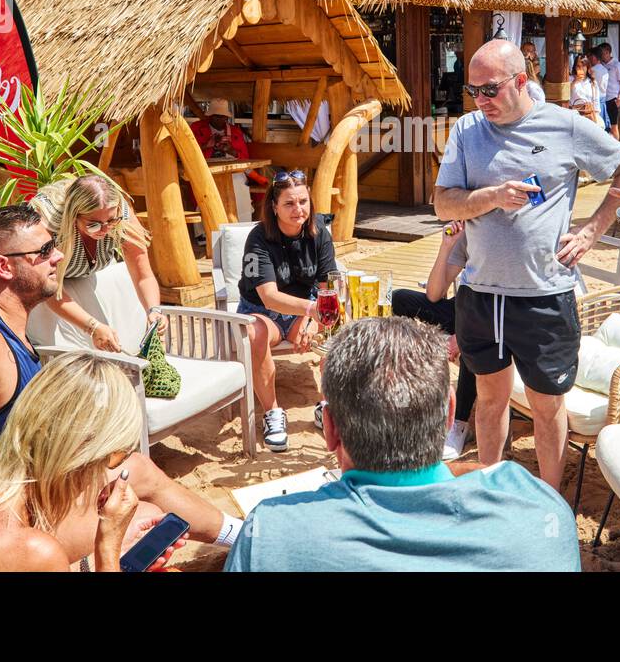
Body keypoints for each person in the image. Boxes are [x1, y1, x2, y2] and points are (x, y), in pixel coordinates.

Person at [0, 205, 237, 555]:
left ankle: (245, 535)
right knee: (143, 521)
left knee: (135, 471)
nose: (60, 256)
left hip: (7, 499)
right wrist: (26, 507)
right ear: (4, 267)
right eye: (44, 251)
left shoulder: (6, 331)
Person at [433, 40, 620, 491]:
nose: (480, 101)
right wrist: (491, 195)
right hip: (480, 294)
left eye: (489, 90)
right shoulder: (467, 131)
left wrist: (591, 231)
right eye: (473, 91)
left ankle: (552, 506)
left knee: (548, 409)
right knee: (489, 401)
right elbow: (443, 204)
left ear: (521, 80)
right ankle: (490, 492)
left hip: (544, 295)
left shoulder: (563, 126)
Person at [225, 317, 580, 571]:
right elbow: (494, 473)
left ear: (330, 428)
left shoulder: (270, 536)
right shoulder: (542, 512)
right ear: (448, 415)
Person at [0, 351, 188, 571]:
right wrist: (108, 549)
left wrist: (94, 560)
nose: (107, 477)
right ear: (78, 455)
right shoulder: (33, 550)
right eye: (114, 459)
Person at [236, 170, 336, 451]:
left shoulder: (318, 231)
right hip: (263, 312)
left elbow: (329, 284)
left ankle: (327, 406)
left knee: (333, 325)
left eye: (303, 201)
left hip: (304, 311)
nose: (298, 209)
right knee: (254, 334)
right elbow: (268, 297)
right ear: (274, 206)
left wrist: (312, 319)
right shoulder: (258, 238)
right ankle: (273, 413)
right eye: (289, 203)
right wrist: (312, 309)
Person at [28, 174, 159, 353]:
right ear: (74, 217)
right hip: (48, 288)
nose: (104, 230)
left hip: (87, 277)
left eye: (111, 222)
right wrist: (92, 327)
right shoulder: (50, 227)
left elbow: (143, 274)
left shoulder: (121, 216)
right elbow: (50, 291)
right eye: (94, 224)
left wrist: (153, 309)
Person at [390, 219, 477, 460]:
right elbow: (434, 293)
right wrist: (447, 246)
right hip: (463, 307)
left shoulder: (501, 237)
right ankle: (407, 391)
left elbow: (496, 303)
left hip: (493, 316)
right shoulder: (469, 231)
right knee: (399, 299)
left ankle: (459, 423)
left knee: (470, 342)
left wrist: (461, 337)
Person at [598, 42, 620, 139]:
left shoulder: (618, 65)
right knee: (603, 126)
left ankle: (618, 151)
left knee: (614, 126)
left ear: (607, 52)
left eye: (601, 52)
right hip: (602, 100)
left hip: (613, 99)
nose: (600, 55)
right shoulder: (600, 65)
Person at [568, 54, 603, 126]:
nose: (581, 69)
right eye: (578, 66)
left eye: (583, 66)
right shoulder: (570, 79)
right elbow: (566, 96)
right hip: (574, 114)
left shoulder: (592, 82)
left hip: (589, 114)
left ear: (587, 67)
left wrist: (596, 116)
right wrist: (574, 82)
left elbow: (596, 101)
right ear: (575, 67)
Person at [586, 46, 611, 131]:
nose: (588, 59)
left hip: (595, 102)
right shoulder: (605, 69)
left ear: (594, 57)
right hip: (603, 100)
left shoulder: (591, 71)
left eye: (589, 56)